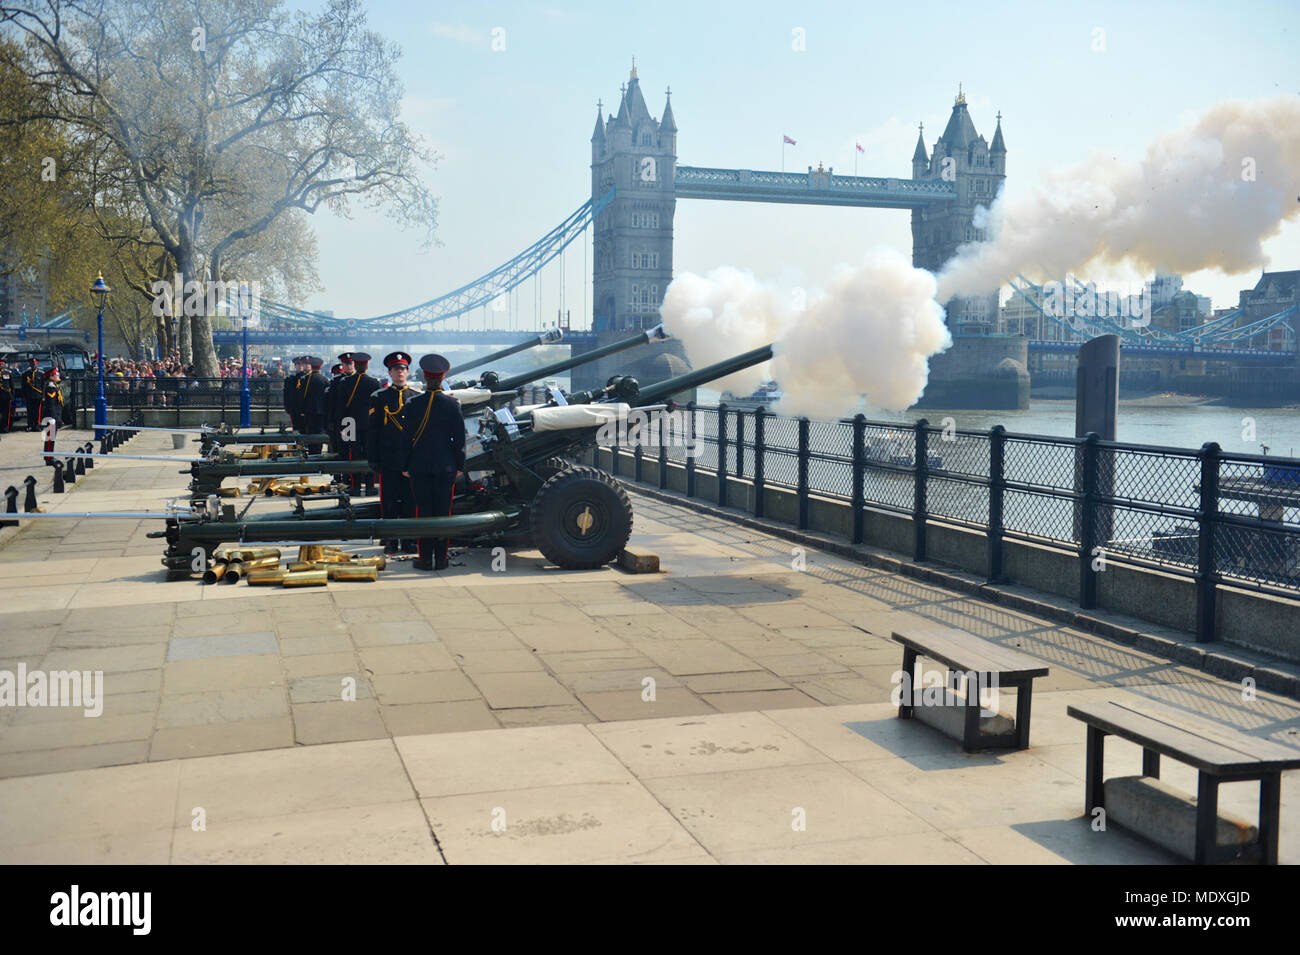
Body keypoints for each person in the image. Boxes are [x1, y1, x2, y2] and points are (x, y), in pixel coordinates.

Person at [400, 354, 465, 571]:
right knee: (443, 512)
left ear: (424, 377)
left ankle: (425, 559)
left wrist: (406, 466)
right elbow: (459, 440)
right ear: (443, 376)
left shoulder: (412, 403)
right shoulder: (452, 404)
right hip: (446, 467)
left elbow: (406, 438)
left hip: (418, 467)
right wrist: (459, 466)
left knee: (423, 512)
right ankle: (442, 558)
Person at [367, 352, 417, 555]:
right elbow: (373, 431)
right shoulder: (379, 397)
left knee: (410, 501)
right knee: (388, 501)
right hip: (388, 458)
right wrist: (373, 458)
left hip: (410, 460)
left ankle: (409, 539)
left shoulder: (415, 397)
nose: (400, 373)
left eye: (403, 369)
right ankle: (390, 539)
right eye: (396, 369)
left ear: (408, 372)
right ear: (389, 372)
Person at [330, 351, 380, 496]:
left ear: (355, 365)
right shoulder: (374, 382)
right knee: (369, 454)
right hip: (369, 424)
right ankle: (370, 486)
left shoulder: (345, 382)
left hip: (349, 423)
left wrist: (341, 426)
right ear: (367, 365)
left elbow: (341, 406)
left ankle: (355, 486)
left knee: (353, 454)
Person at [301, 356, 327, 453]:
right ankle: (318, 453)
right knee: (320, 436)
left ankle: (312, 454)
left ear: (311, 366)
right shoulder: (325, 380)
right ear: (320, 367)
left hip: (308, 412)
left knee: (310, 436)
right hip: (321, 413)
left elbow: (301, 397)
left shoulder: (305, 379)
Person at [39, 367, 63, 463]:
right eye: (56, 374)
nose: (58, 376)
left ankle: (49, 456)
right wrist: (55, 418)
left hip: (54, 415)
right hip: (51, 416)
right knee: (50, 438)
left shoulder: (54, 386)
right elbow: (51, 405)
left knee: (51, 438)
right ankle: (49, 457)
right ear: (51, 376)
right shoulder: (51, 388)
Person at [23, 359, 43, 431]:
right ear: (30, 365)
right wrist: (24, 396)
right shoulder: (26, 374)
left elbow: (43, 385)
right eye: (32, 364)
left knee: (38, 412)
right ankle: (30, 425)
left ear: (37, 365)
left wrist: (43, 396)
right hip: (29, 396)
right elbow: (24, 386)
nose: (33, 365)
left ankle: (37, 425)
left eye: (34, 364)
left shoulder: (41, 374)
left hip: (38, 396)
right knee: (30, 412)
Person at [0, 359, 12, 433]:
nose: (1, 366)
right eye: (0, 365)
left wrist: (12, 395)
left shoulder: (8, 373)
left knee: (6, 414)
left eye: (2, 364)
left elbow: (11, 385)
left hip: (6, 397)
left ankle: (5, 427)